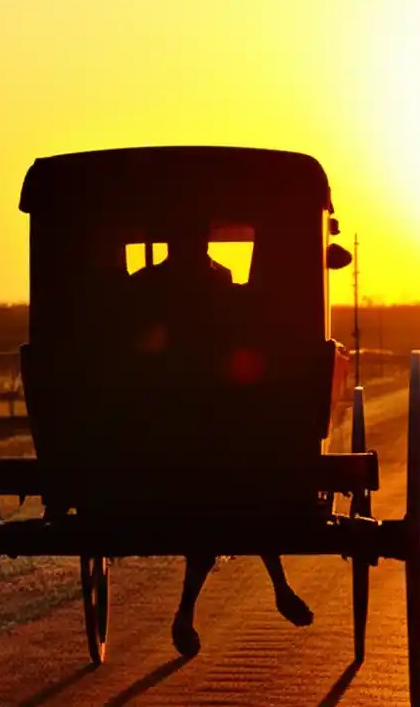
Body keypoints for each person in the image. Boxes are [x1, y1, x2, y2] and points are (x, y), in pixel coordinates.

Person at [128, 229, 315, 658]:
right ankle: (277, 586)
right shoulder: (220, 280)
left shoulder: (146, 283)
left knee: (223, 501)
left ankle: (198, 609)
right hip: (204, 416)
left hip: (160, 417)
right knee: (244, 492)